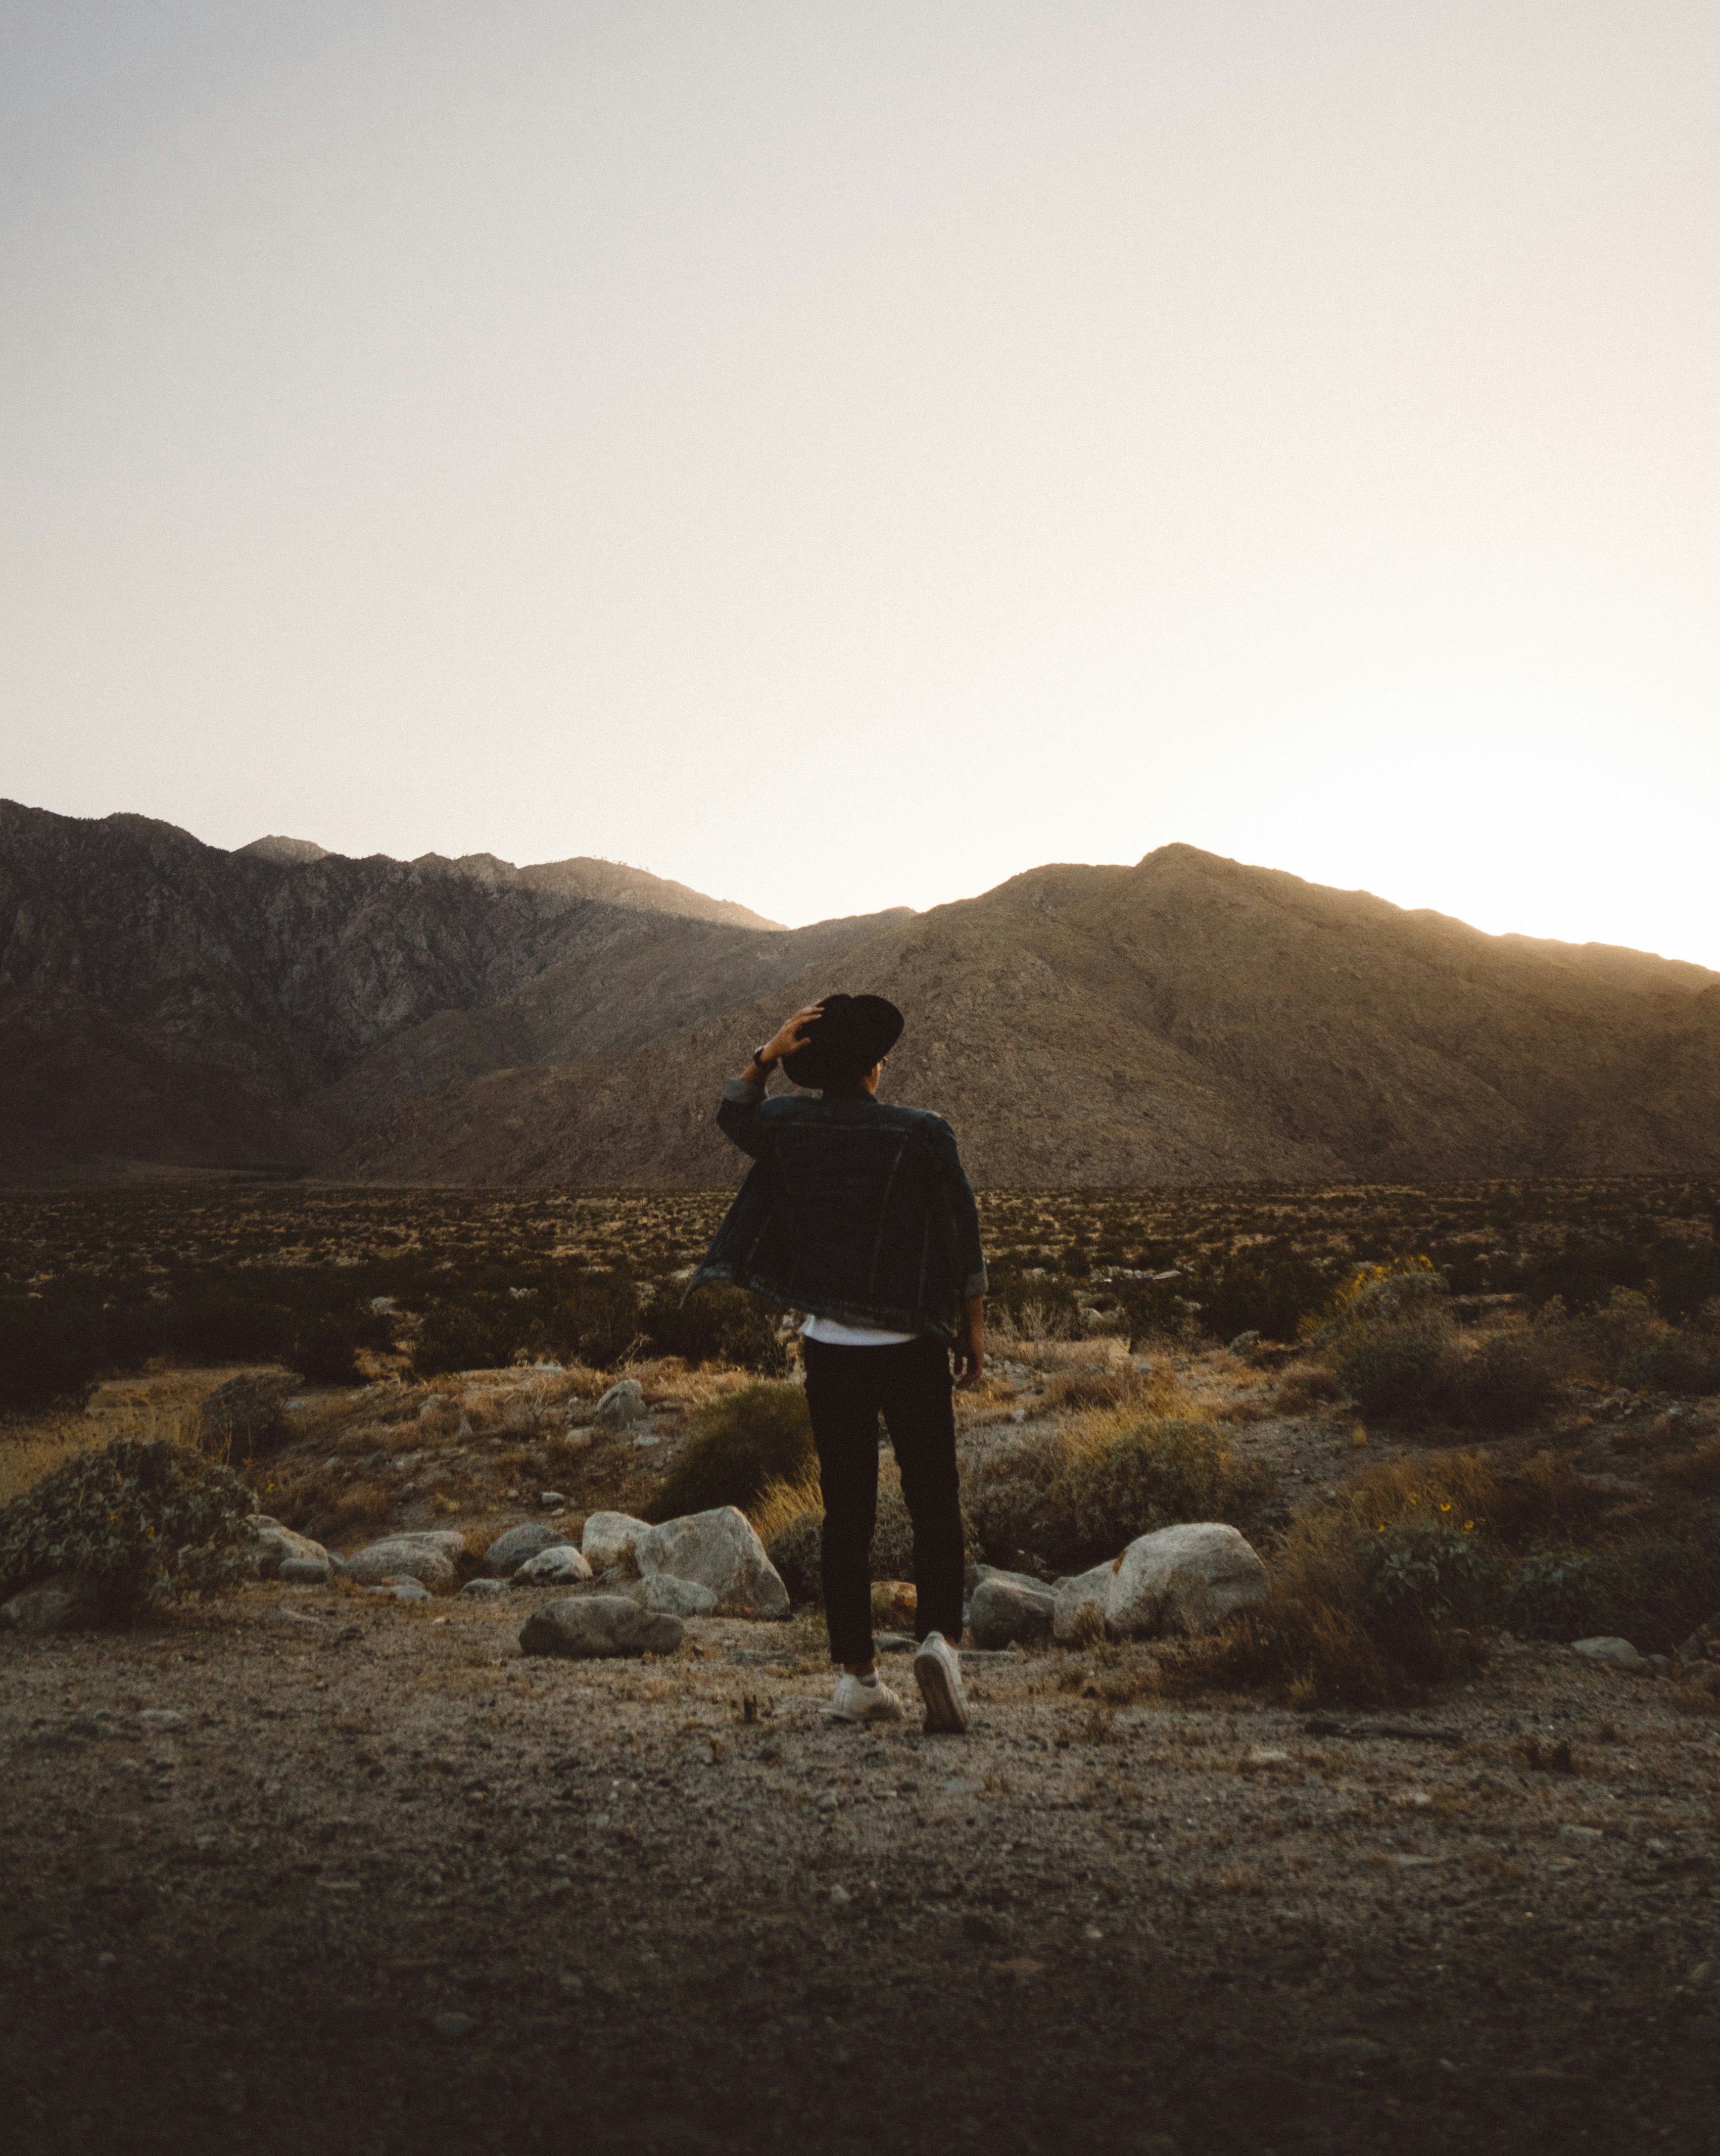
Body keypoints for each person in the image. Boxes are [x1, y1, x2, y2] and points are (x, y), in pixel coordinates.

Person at [689, 994, 986, 1734]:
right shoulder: (923, 1132)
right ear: (875, 1069)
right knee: (933, 1502)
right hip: (911, 1347)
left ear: (817, 1068)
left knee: (845, 1513)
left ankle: (858, 1679)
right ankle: (941, 1644)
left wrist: (767, 1051)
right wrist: (972, 1332)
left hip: (830, 1348)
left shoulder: (789, 1125)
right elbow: (963, 1238)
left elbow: (733, 1114)